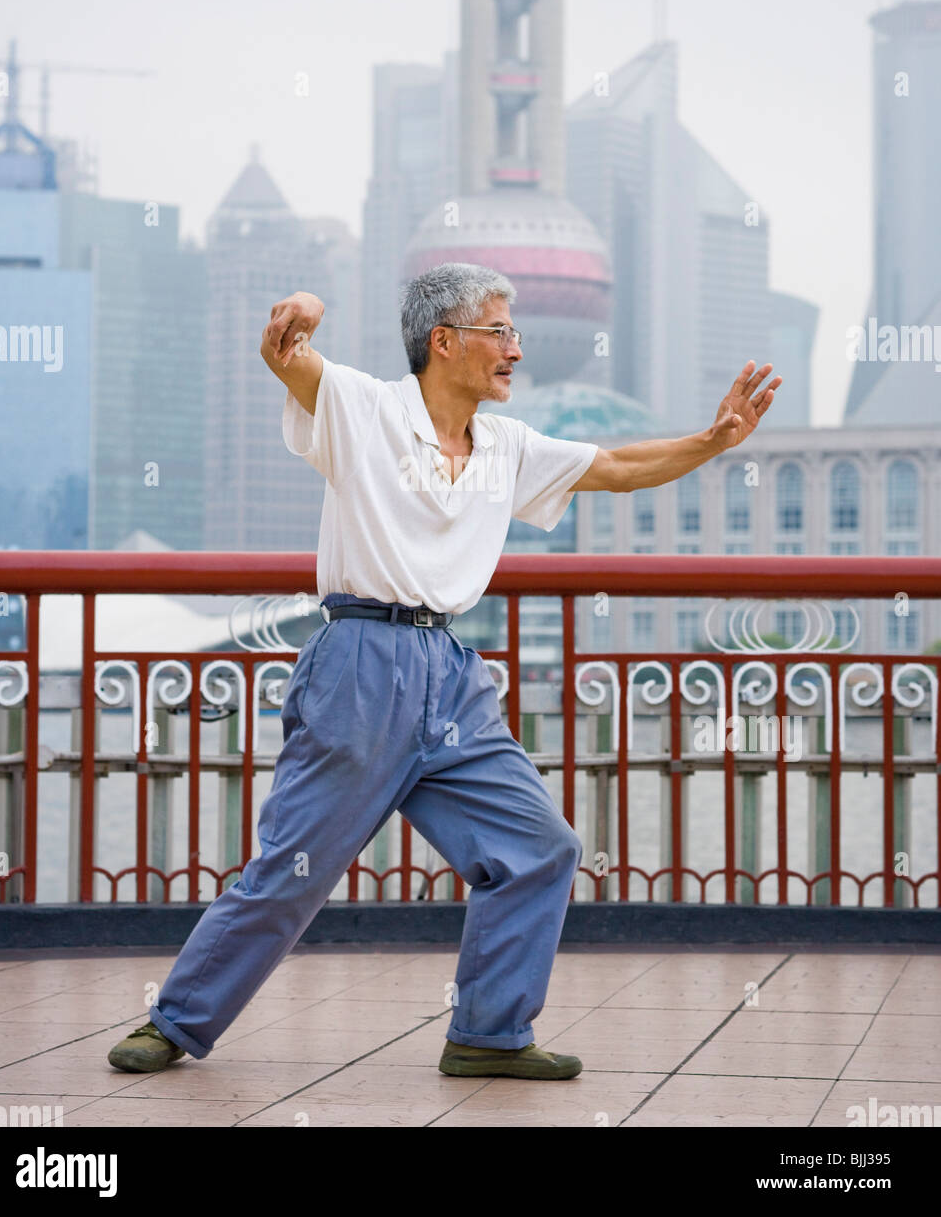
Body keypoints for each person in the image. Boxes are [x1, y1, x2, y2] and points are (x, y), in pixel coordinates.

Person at [107, 261, 781, 1081]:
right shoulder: (365, 409)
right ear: (444, 340)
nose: (515, 350)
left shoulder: (508, 446)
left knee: (539, 849)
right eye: (500, 332)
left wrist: (714, 441)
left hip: (452, 675)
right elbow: (285, 352)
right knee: (292, 869)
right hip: (360, 662)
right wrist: (308, 306)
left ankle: (488, 1034)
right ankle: (175, 1022)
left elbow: (618, 465)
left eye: (515, 334)